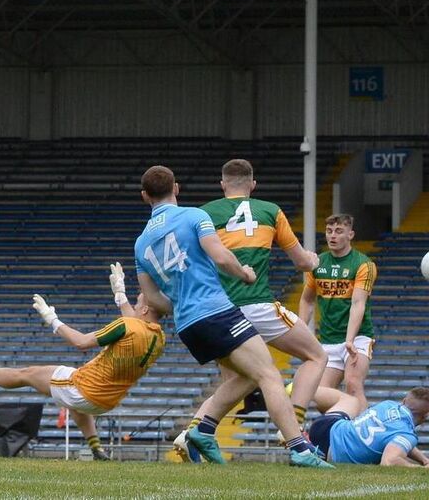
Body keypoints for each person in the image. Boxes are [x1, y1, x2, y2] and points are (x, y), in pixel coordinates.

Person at [133, 165, 331, 468]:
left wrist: (180, 303)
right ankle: (299, 447)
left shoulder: (141, 243)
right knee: (269, 374)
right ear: (176, 188)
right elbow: (222, 256)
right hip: (217, 310)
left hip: (187, 325)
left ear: (145, 195)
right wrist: (245, 273)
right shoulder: (194, 216)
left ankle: (201, 431)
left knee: (244, 377)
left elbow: (152, 299)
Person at [0, 262, 165, 461]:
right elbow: (136, 322)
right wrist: (119, 294)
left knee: (26, 374)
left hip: (83, 389)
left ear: (145, 311)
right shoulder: (159, 338)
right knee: (73, 402)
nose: (135, 305)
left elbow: (81, 342)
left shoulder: (126, 326)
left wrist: (52, 319)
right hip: (107, 401)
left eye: (137, 303)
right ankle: (97, 449)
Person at [298, 214, 377, 406]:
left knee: (353, 384)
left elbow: (358, 303)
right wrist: (300, 334)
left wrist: (350, 340)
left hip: (357, 338)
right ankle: (340, 429)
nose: (332, 236)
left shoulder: (364, 264)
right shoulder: (317, 264)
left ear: (350, 234)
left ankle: (361, 433)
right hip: (328, 339)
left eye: (339, 231)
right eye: (329, 231)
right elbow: (307, 301)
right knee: (321, 397)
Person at [306, 386, 429, 466]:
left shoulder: (389, 404)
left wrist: (424, 460)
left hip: (323, 426)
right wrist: (419, 468)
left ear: (403, 401)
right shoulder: (406, 434)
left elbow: (399, 441)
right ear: (425, 416)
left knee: (351, 401)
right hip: (329, 451)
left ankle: (300, 390)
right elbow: (389, 462)